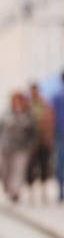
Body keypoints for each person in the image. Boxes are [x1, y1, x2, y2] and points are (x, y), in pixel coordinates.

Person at [0, 92, 36, 203]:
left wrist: (31, 145)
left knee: (19, 170)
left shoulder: (28, 114)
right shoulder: (5, 113)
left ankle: (15, 191)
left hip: (22, 147)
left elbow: (33, 133)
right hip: (6, 146)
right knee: (4, 170)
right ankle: (7, 187)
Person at [26, 83, 54, 203]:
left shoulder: (44, 103)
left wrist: (48, 136)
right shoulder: (27, 105)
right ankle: (31, 192)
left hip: (43, 139)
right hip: (31, 140)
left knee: (44, 164)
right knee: (31, 166)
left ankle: (43, 191)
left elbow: (50, 119)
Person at [53, 72, 64, 202]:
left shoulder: (56, 95)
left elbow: (51, 116)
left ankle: (61, 191)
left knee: (60, 160)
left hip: (60, 130)